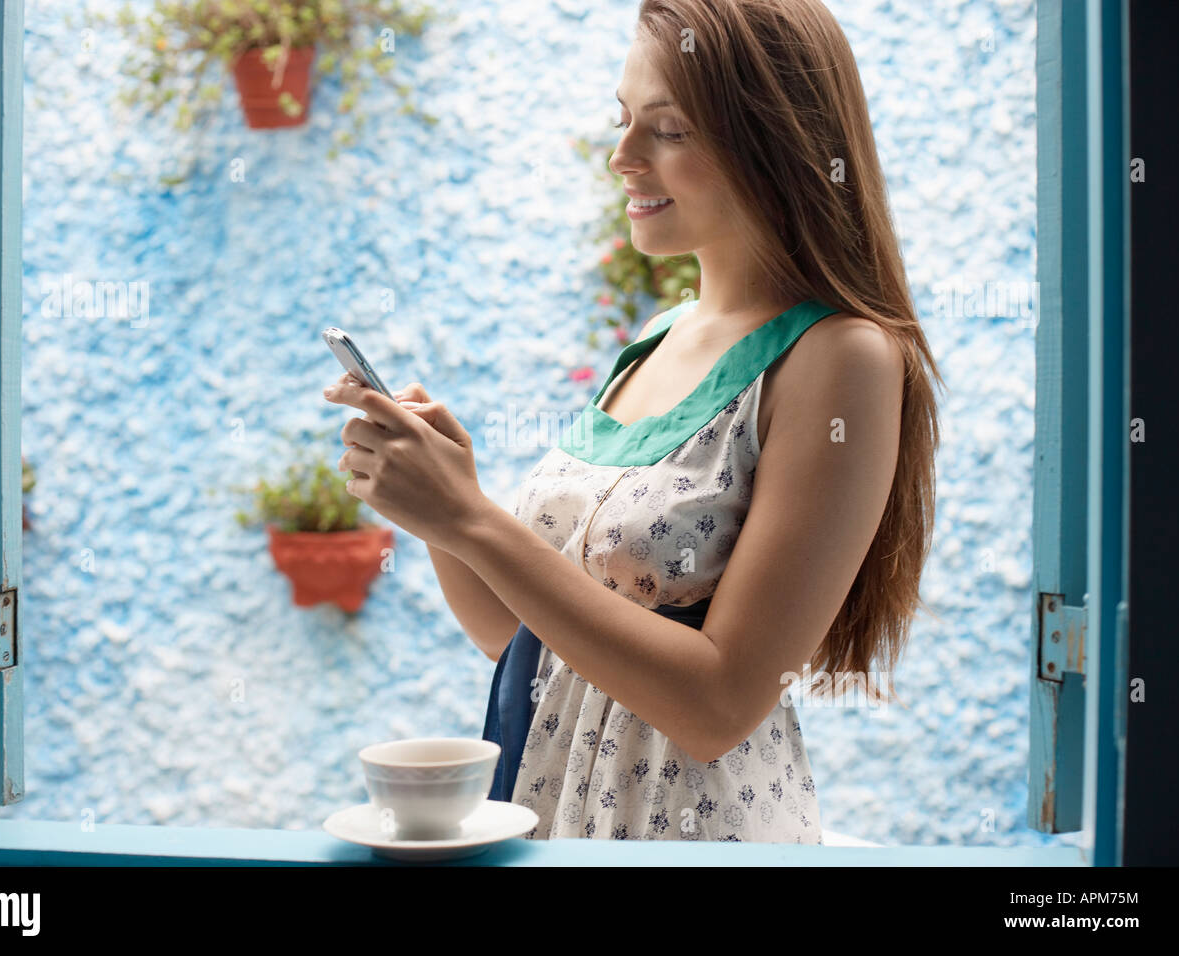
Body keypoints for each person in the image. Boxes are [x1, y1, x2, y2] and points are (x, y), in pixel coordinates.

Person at [324, 0, 943, 842]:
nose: (622, 157)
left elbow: (718, 702)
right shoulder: (658, 336)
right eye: (623, 121)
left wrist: (472, 517)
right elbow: (528, 642)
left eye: (670, 129)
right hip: (563, 827)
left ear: (776, 140)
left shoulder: (842, 358)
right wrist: (443, 510)